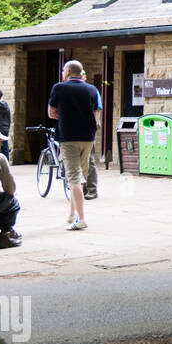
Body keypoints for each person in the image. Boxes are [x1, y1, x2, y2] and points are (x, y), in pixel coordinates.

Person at [47, 59, 100, 231]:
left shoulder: (59, 88)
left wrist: (63, 116)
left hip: (68, 137)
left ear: (68, 71)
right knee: (80, 177)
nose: (63, 72)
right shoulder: (92, 89)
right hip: (88, 137)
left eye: (64, 70)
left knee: (73, 177)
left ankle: (81, 219)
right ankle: (72, 214)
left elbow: (51, 113)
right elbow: (96, 112)